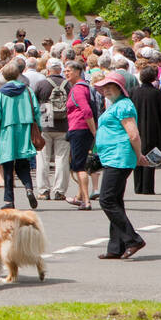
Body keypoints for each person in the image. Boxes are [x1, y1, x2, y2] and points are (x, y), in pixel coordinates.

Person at [93, 73, 146, 259]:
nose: (106, 90)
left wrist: (139, 155)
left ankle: (133, 239)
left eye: (110, 86)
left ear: (120, 88)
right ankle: (116, 247)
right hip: (113, 157)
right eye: (104, 87)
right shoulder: (116, 105)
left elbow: (133, 134)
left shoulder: (124, 105)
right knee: (115, 201)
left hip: (119, 157)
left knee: (106, 200)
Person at [0, 60, 40, 210]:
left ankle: (9, 200)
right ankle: (29, 188)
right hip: (24, 130)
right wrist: (39, 130)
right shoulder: (28, 91)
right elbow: (36, 112)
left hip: (6, 132)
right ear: (18, 74)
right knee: (23, 164)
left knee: (8, 166)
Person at [34, 59, 71, 201]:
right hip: (63, 123)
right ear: (60, 70)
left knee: (42, 158)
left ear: (48, 70)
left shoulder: (42, 84)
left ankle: (43, 190)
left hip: (46, 120)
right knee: (61, 158)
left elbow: (36, 102)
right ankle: (59, 191)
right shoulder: (68, 84)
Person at [131, 64, 161, 195]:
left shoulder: (133, 92)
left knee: (137, 155)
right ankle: (147, 187)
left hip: (136, 128)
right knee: (150, 157)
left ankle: (138, 186)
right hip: (154, 130)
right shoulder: (157, 94)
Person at [64, 60, 96, 210]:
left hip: (80, 129)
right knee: (80, 163)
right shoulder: (83, 87)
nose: (66, 73)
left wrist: (94, 131)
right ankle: (79, 196)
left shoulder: (78, 89)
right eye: (65, 71)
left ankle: (85, 200)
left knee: (79, 166)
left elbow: (87, 111)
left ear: (77, 72)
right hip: (81, 129)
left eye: (69, 70)